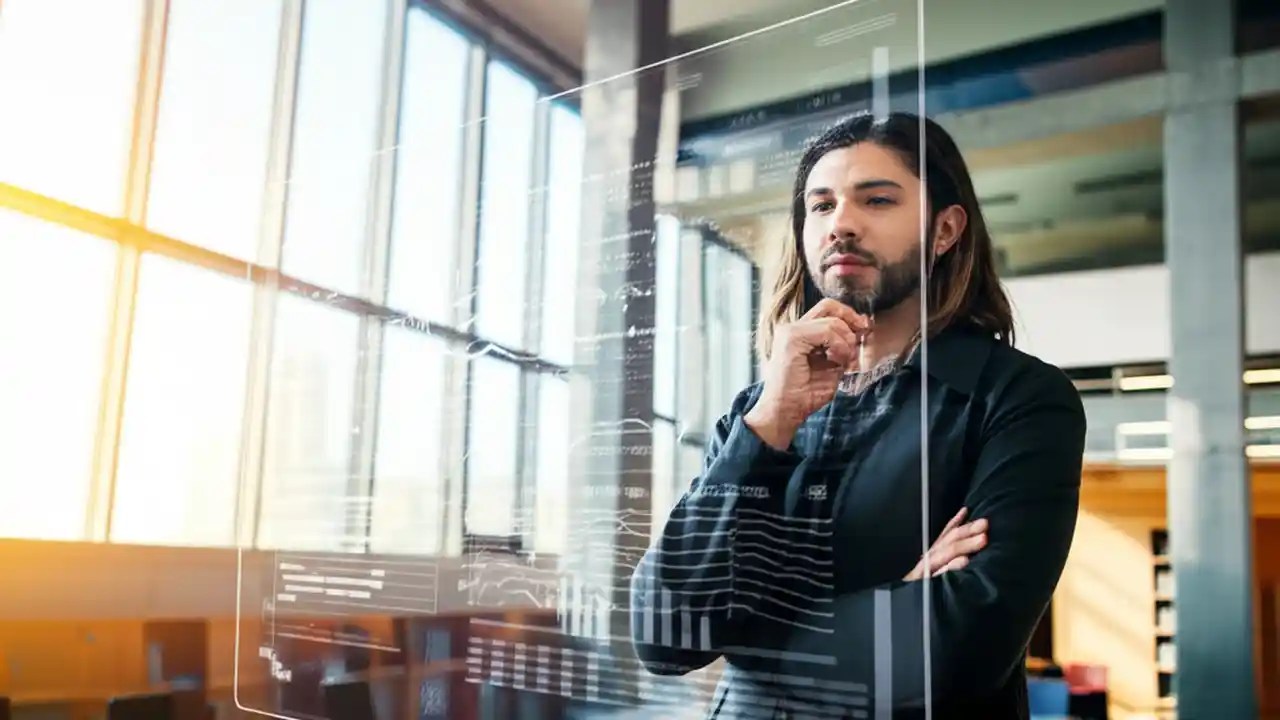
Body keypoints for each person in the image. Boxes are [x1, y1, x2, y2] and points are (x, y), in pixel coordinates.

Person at [629, 112, 1086, 719]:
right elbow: (665, 632)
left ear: (945, 229)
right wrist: (769, 425)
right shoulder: (757, 412)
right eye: (820, 206)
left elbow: (958, 651)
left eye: (876, 199)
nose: (841, 223)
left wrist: (741, 641)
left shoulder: (1018, 399)